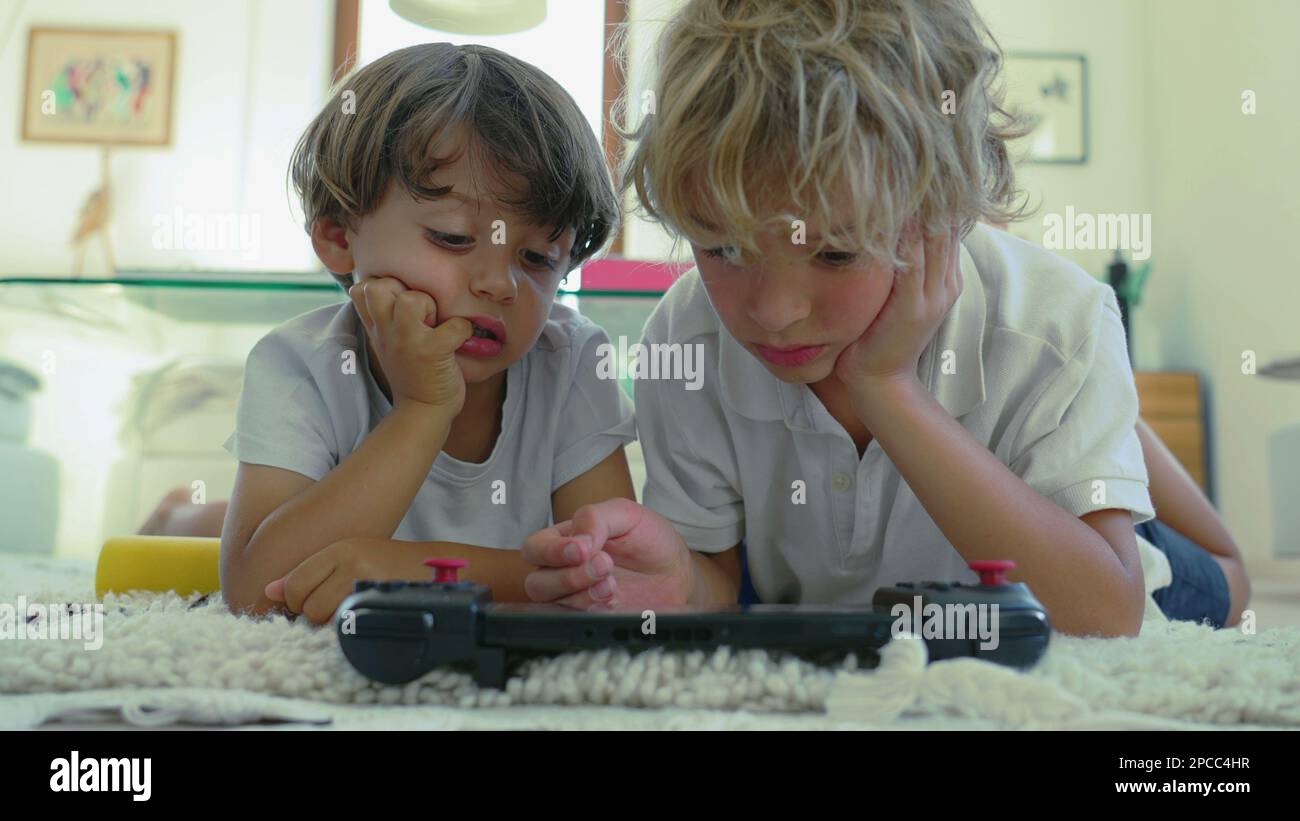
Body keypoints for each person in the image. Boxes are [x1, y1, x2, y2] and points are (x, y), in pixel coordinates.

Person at [519, 0, 1250, 635]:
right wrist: (679, 576)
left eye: (836, 255)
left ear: (943, 213)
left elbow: (1109, 614)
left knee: (1227, 581)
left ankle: (1117, 434)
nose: (772, 313)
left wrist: (889, 388)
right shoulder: (688, 337)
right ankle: (1108, 424)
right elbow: (713, 571)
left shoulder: (1056, 320)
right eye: (724, 247)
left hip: (1066, 530)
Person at [211, 43, 635, 624]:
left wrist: (408, 568)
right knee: (198, 533)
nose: (499, 284)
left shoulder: (573, 362)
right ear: (339, 237)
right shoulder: (298, 364)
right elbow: (258, 593)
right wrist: (423, 408)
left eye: (538, 256)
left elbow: (612, 580)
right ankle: (179, 519)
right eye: (454, 238)